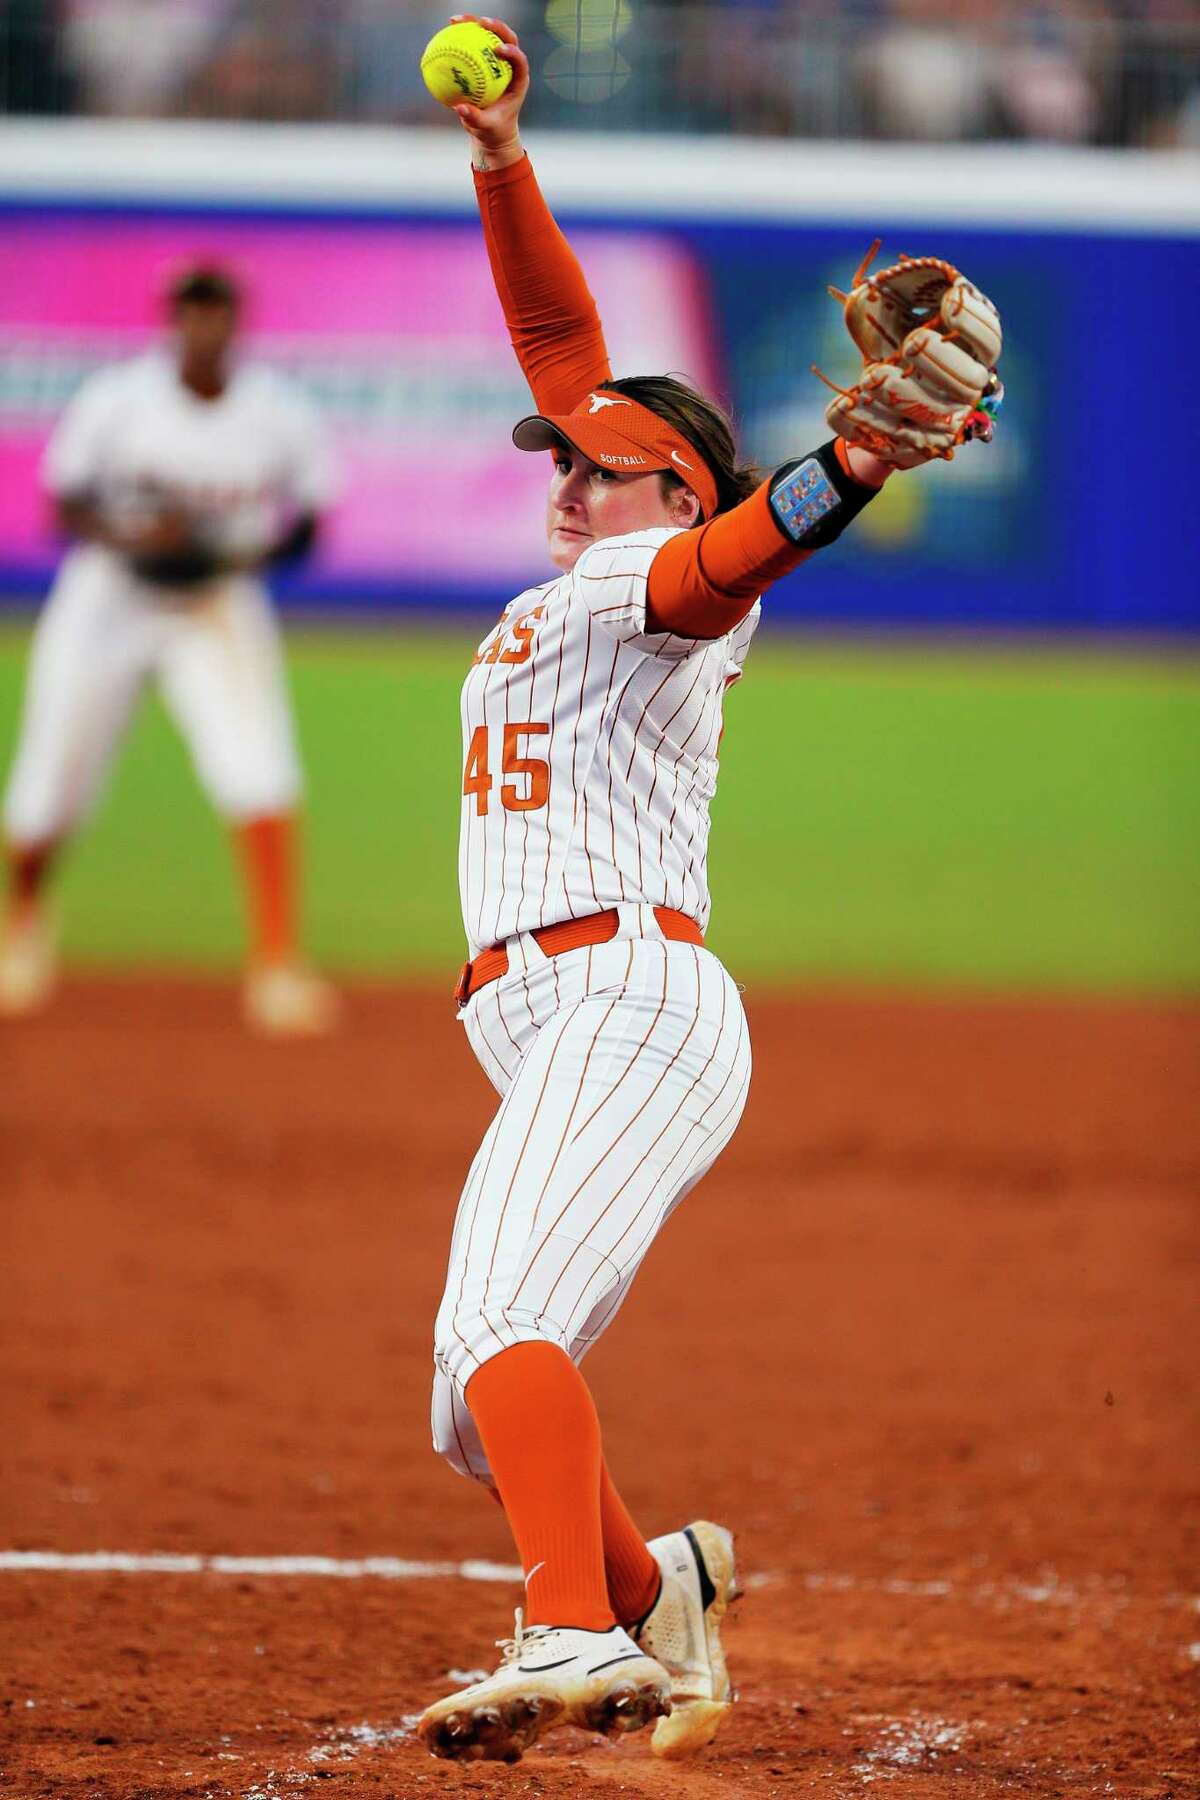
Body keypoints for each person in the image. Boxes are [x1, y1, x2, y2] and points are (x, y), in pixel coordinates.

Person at [418, 14, 1000, 1765]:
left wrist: (851, 473)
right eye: (558, 461)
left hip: (626, 997)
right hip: (564, 1019)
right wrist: (506, 160)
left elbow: (732, 550)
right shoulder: (603, 554)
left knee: (503, 1326)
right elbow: (555, 339)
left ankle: (569, 1633)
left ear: (665, 488)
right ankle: (653, 1585)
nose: (561, 480)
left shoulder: (648, 583)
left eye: (592, 466)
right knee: (471, 1401)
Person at [0, 264, 338, 1035]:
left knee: (261, 771)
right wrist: (136, 536)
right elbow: (63, 504)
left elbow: (312, 518)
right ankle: (22, 927)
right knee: (51, 780)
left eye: (216, 311)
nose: (204, 326)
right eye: (191, 311)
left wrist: (237, 559)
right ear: (172, 321)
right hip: (108, 597)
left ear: (236, 323)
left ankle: (277, 964)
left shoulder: (276, 412)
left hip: (215, 600)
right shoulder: (118, 401)